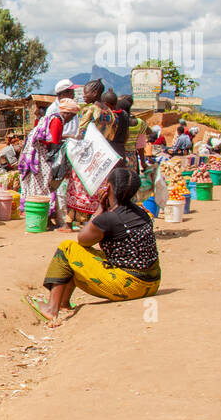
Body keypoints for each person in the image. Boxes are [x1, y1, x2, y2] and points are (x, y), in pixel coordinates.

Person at [26, 167, 161, 325]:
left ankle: (51, 308)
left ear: (108, 187)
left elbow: (82, 239)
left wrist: (100, 208)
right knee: (81, 257)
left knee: (67, 248)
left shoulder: (110, 217)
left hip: (131, 285)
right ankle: (63, 303)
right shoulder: (140, 212)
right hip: (152, 283)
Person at [62, 80, 115, 227]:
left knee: (77, 189)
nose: (84, 95)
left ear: (96, 93)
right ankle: (94, 221)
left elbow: (81, 134)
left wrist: (68, 140)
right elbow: (111, 136)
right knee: (97, 188)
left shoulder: (89, 110)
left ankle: (69, 223)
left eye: (86, 92)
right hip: (101, 157)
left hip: (85, 156)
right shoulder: (109, 113)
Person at [19, 99, 77, 229]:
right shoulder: (57, 121)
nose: (71, 119)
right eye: (71, 116)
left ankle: (45, 217)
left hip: (38, 154)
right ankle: (47, 218)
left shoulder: (53, 118)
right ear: (66, 113)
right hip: (41, 156)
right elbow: (54, 142)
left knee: (41, 185)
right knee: (45, 185)